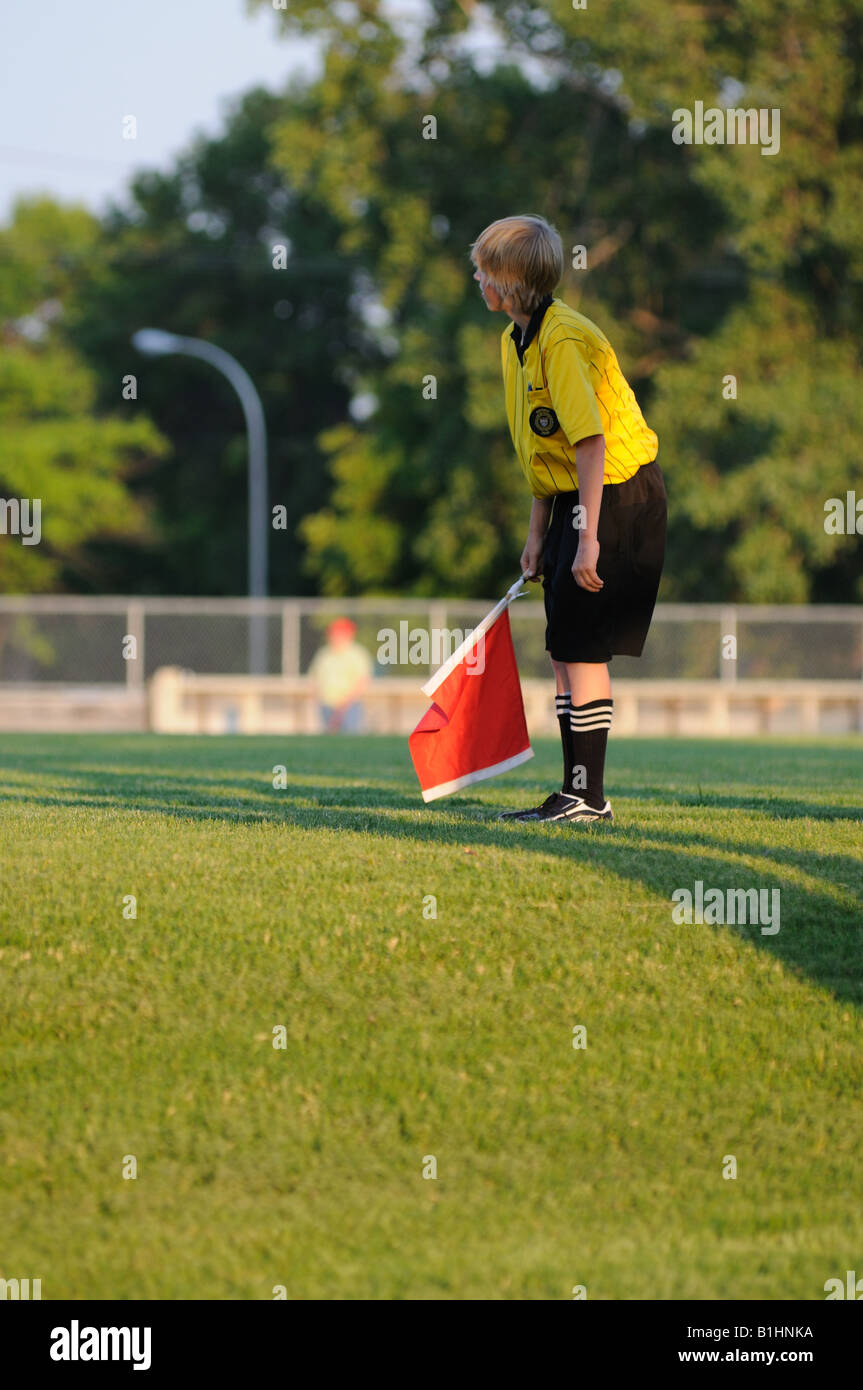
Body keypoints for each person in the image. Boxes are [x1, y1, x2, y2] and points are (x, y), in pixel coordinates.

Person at [470, 214, 667, 823]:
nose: (476, 277)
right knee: (562, 649)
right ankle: (574, 791)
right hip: (571, 500)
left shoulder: (563, 338)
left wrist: (585, 541)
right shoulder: (515, 341)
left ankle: (589, 797)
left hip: (615, 496)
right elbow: (542, 449)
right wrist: (537, 539)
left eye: (482, 269)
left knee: (583, 650)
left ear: (508, 282)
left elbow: (590, 443)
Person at [307, 618, 373, 732]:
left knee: (350, 737)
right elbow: (314, 677)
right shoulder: (324, 654)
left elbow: (362, 681)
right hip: (326, 704)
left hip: (350, 706)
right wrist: (319, 698)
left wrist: (344, 705)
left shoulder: (356, 654)